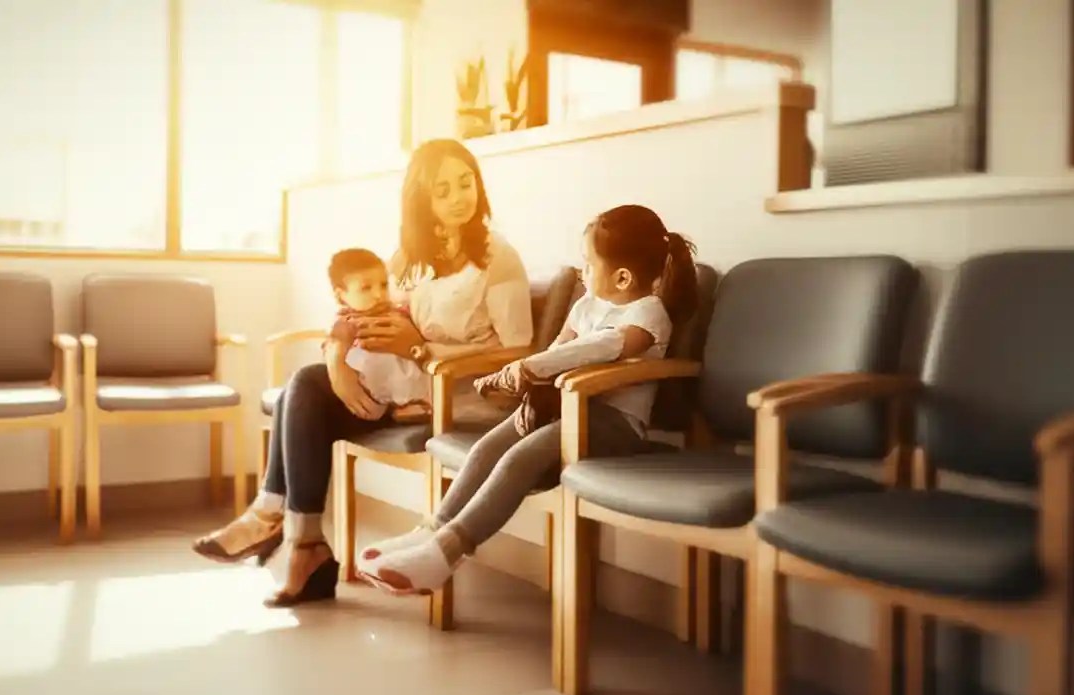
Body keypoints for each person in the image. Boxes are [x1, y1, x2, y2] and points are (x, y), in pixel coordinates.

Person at [191, 139, 533, 607]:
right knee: (307, 385)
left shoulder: (498, 258)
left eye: (466, 182)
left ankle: (288, 532)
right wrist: (337, 362)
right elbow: (358, 310)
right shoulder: (410, 254)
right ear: (421, 199)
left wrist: (418, 347)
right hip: (396, 389)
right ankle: (299, 539)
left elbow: (519, 350)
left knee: (302, 391)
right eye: (443, 189)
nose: (459, 197)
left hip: (455, 395)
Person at [357, 204, 699, 594]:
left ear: (622, 277)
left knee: (521, 457)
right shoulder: (586, 304)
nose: (581, 272)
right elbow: (559, 349)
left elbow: (608, 346)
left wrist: (531, 366)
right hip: (565, 414)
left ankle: (446, 553)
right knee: (487, 449)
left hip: (615, 424)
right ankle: (430, 531)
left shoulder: (650, 314)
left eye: (588, 264)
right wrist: (524, 386)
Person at [327, 248, 431, 423]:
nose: (378, 295)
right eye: (365, 288)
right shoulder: (346, 321)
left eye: (383, 285)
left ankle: (411, 404)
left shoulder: (397, 311)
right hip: (365, 386)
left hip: (404, 372)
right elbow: (334, 346)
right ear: (341, 295)